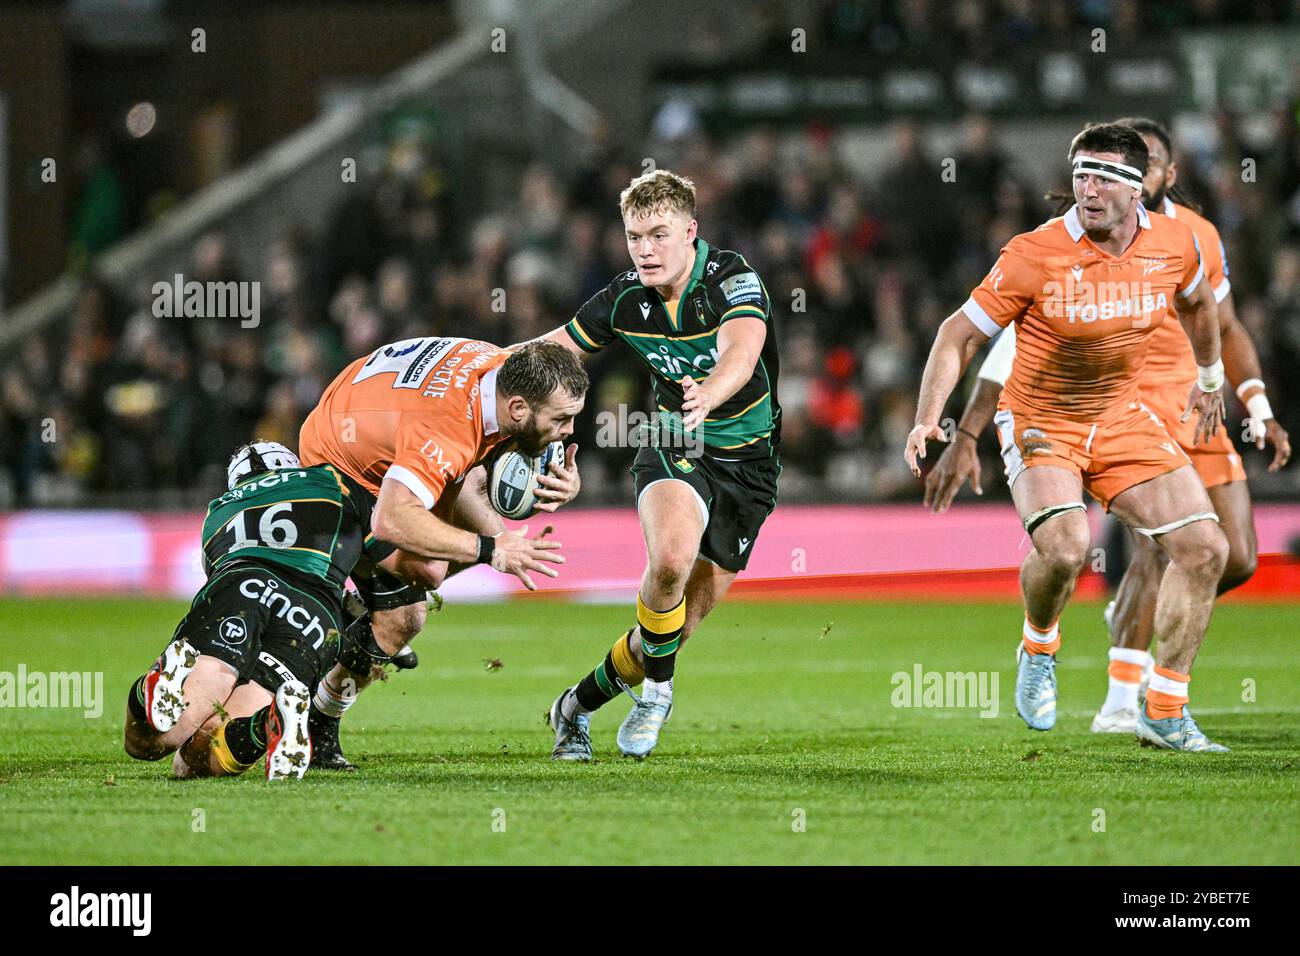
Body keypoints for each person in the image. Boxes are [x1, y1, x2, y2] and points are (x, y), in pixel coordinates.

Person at [923, 118, 1291, 734]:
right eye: (1079, 176)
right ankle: (1039, 645)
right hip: (1042, 421)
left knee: (1209, 551)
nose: (1087, 189)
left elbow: (1203, 308)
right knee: (1066, 549)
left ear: (1138, 186)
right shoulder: (1035, 253)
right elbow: (958, 334)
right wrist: (934, 422)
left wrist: (1210, 382)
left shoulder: (1177, 243)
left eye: (1102, 176)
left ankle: (1164, 712)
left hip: (1123, 417)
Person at [533, 169, 782, 760]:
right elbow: (551, 350)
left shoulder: (732, 279)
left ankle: (575, 707)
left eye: (658, 235)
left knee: (666, 633)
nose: (645, 250)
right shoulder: (625, 298)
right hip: (676, 442)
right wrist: (473, 366)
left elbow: (742, 354)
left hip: (750, 464)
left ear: (691, 232)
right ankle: (658, 697)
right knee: (668, 562)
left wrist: (710, 392)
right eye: (634, 237)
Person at [297, 337, 586, 768]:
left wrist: (558, 492)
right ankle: (313, 726)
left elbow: (468, 473)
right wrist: (491, 548)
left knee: (473, 547)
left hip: (371, 416)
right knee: (411, 603)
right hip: (339, 466)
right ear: (519, 409)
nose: (569, 431)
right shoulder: (446, 427)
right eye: (562, 420)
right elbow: (392, 519)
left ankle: (361, 607)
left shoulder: (510, 366)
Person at [124, 442, 370, 779]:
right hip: (314, 616)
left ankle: (153, 689)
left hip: (241, 586)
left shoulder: (219, 511)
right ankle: (264, 723)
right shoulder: (329, 481)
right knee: (196, 759)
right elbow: (384, 539)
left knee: (149, 743)